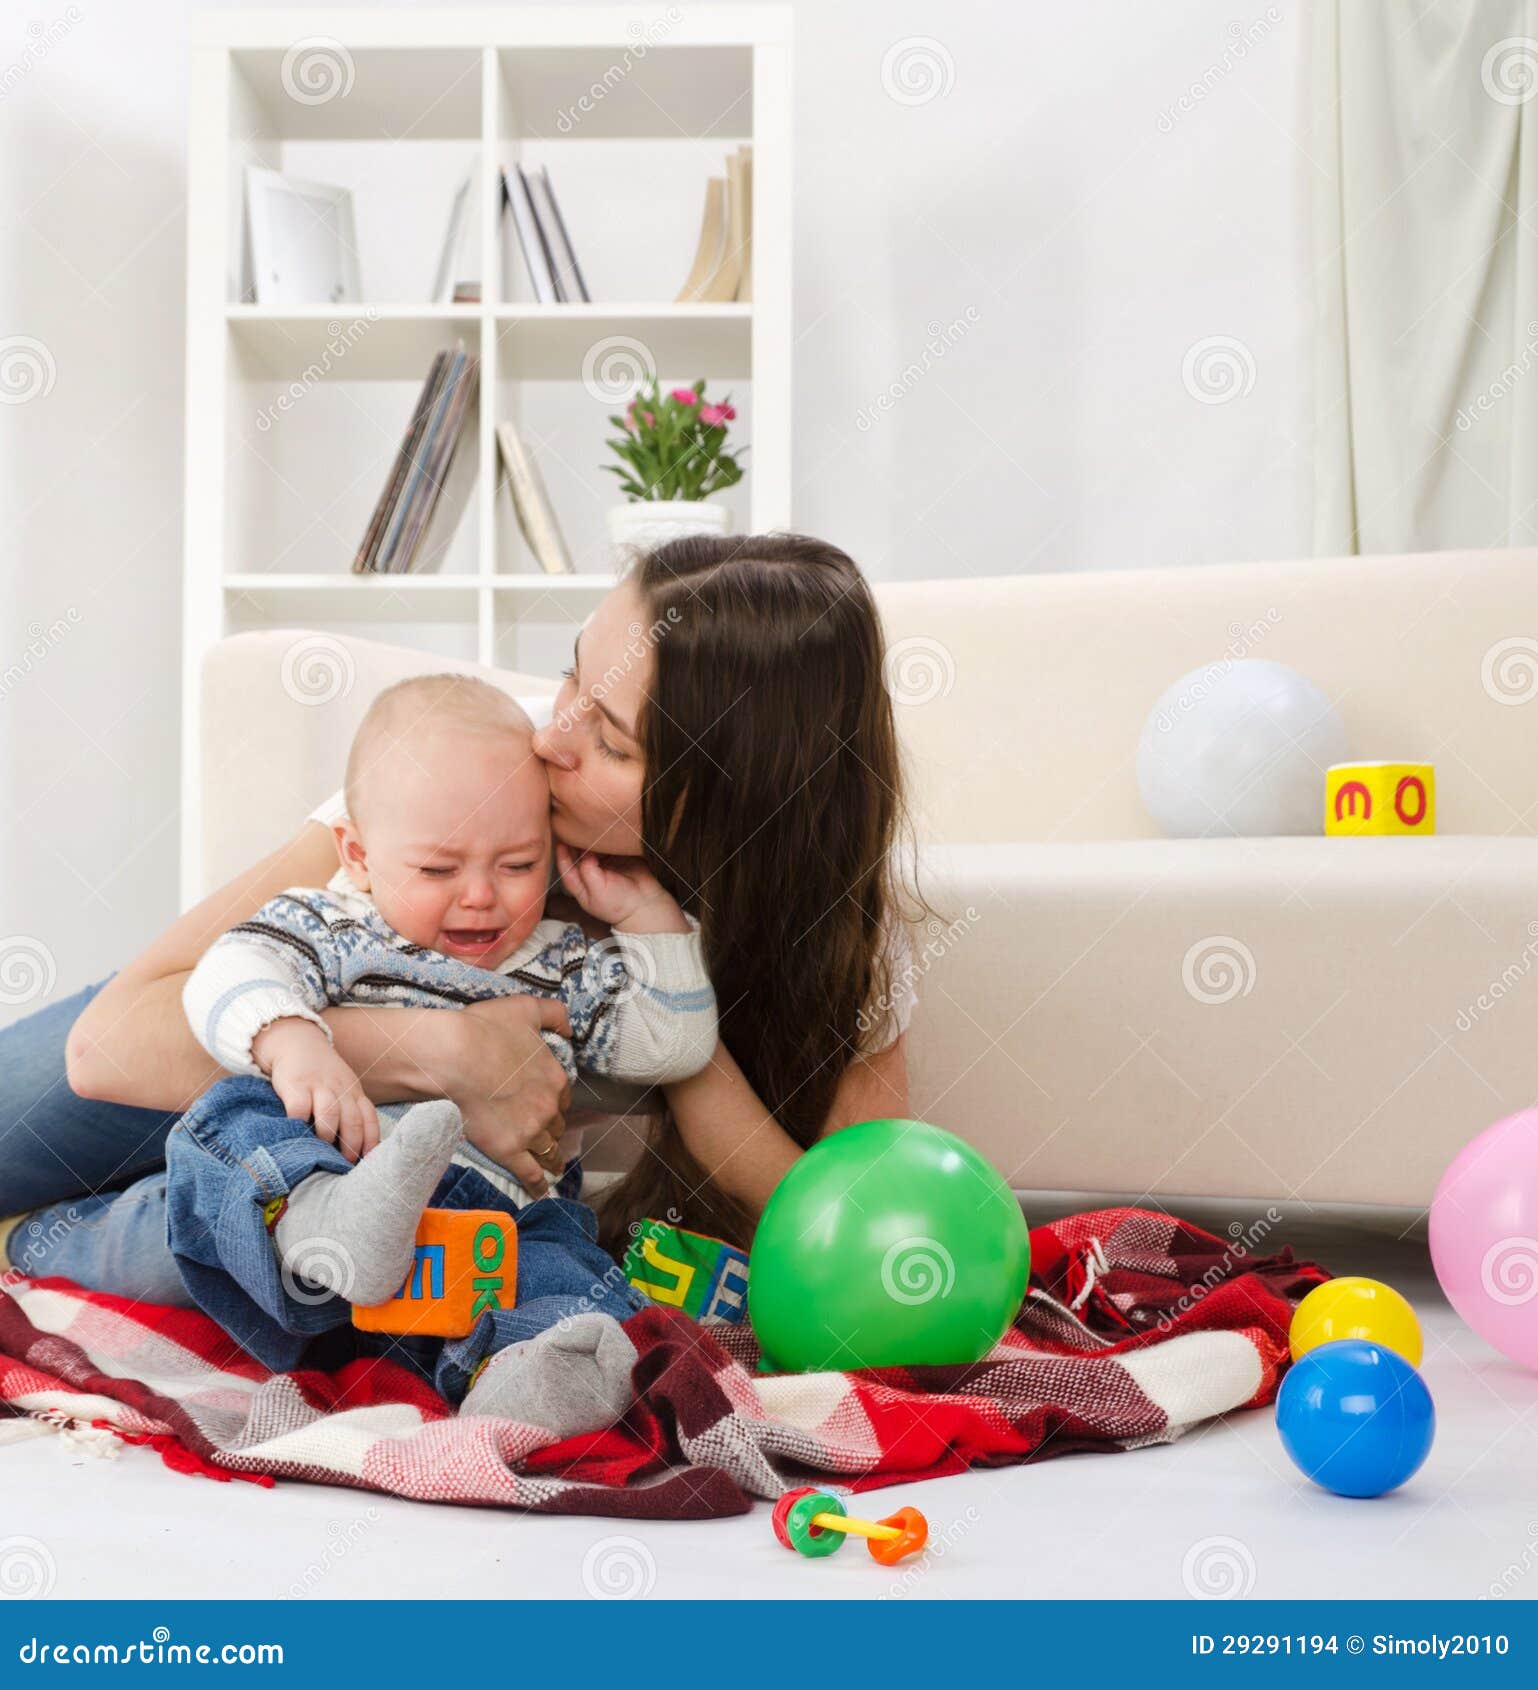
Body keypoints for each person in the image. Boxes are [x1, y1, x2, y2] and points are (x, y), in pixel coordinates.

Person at [0, 533, 921, 1305]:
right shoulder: (475, 776)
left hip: (359, 1176)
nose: (551, 736)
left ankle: (40, 1243)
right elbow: (110, 1048)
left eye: (608, 738)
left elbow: (847, 1223)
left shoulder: (834, 931)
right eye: (572, 677)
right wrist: (443, 1048)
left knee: (259, 1244)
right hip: (230, 1043)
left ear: (731, 793)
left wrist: (666, 961)